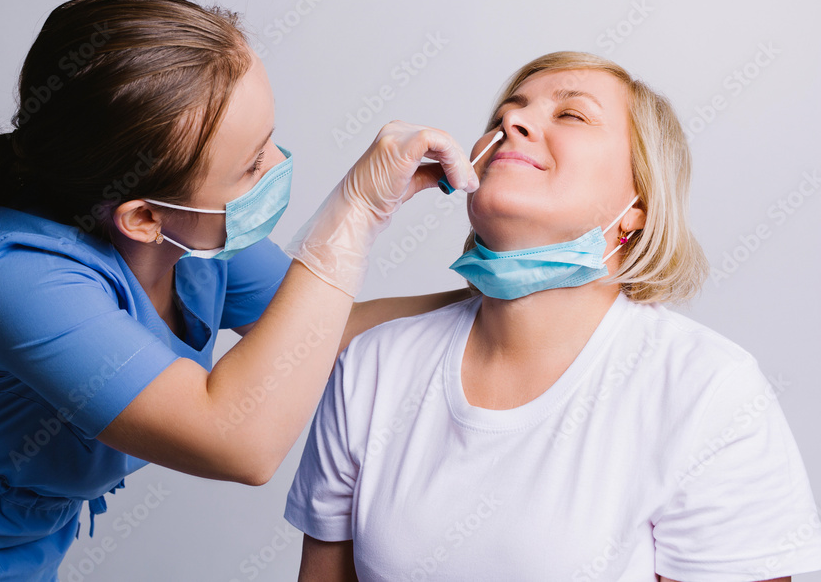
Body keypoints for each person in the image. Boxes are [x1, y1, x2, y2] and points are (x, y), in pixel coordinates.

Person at [0, 0, 481, 580]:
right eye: (251, 165)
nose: (278, 168)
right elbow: (239, 440)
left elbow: (319, 335)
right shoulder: (22, 276)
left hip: (4, 557)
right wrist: (354, 213)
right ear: (141, 216)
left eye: (271, 143)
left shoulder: (197, 240)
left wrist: (489, 291)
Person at [285, 51, 821, 581]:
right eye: (502, 117)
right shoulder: (373, 366)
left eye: (571, 114)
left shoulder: (706, 390)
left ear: (639, 203)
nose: (511, 121)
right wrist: (356, 205)